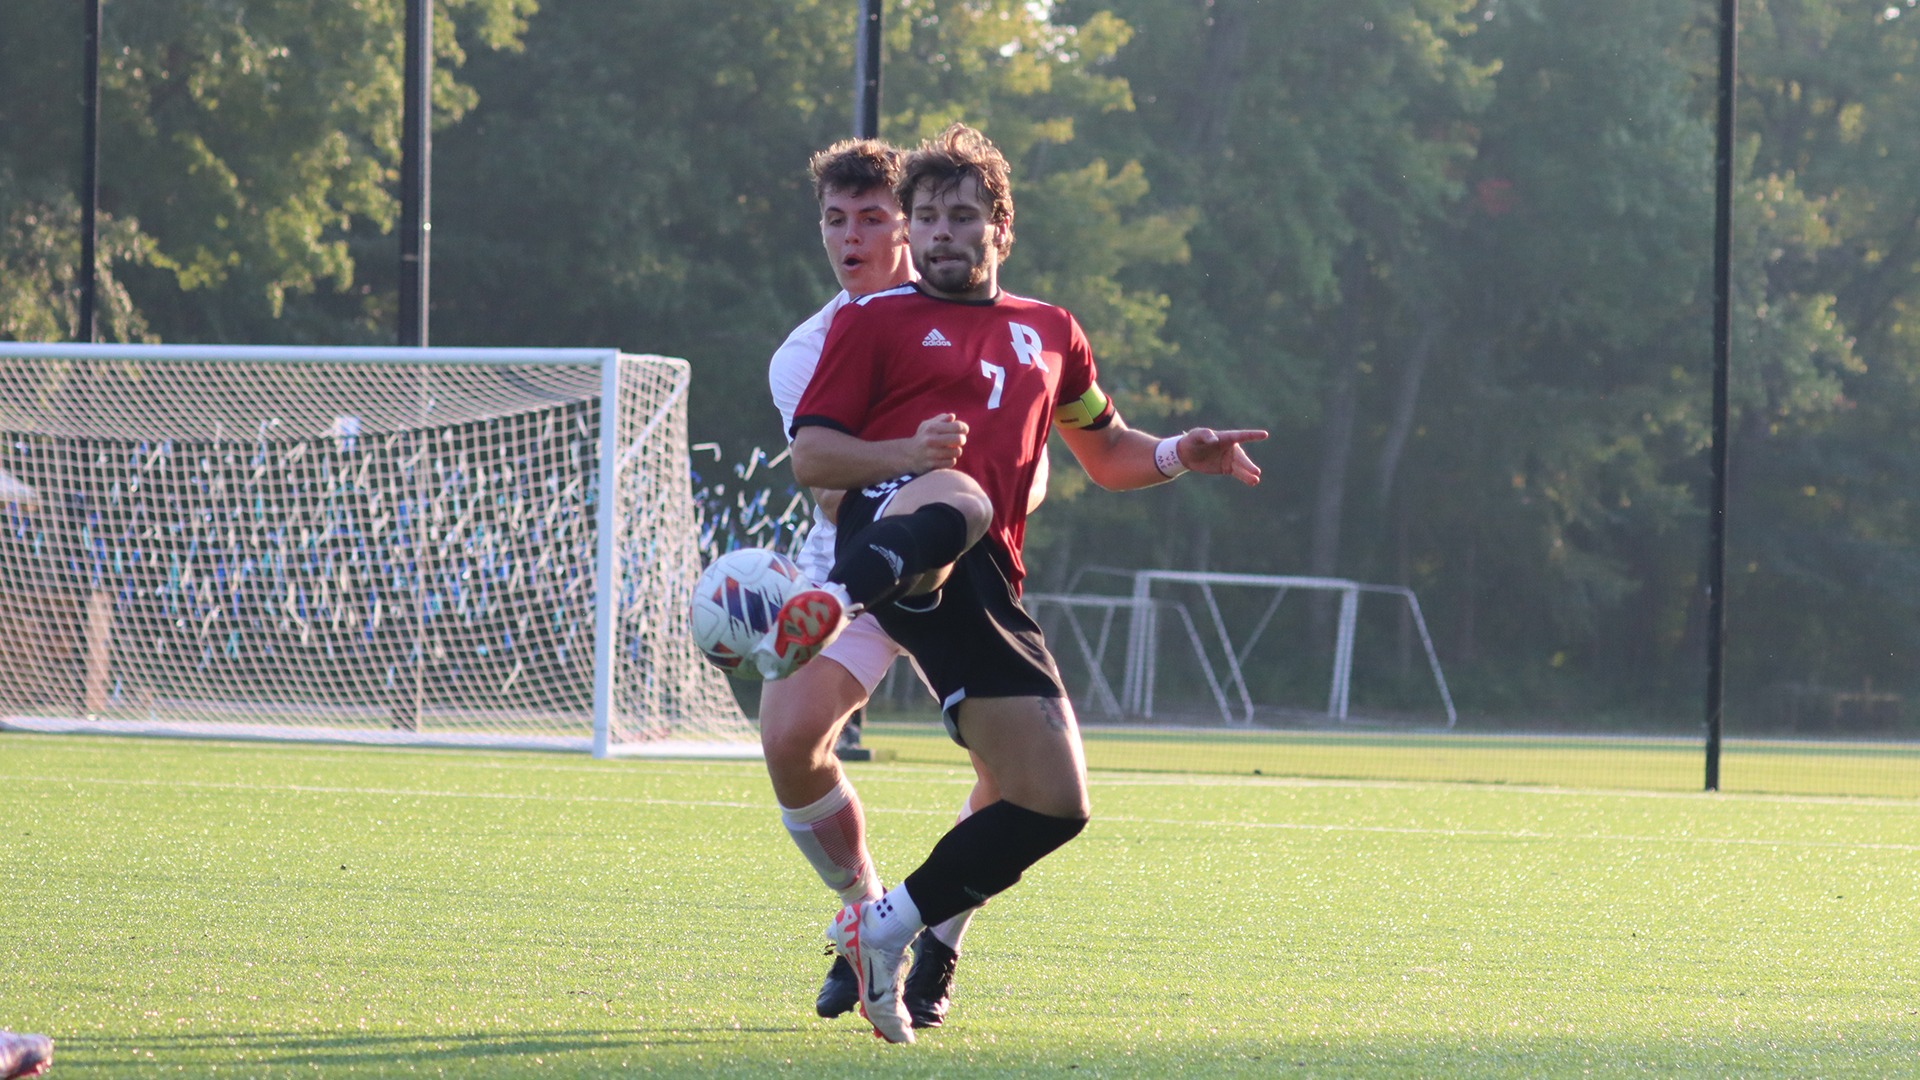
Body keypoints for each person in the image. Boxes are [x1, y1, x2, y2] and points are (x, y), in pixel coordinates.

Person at [764, 122, 1266, 1044]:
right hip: (888, 542)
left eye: (961, 216)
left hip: (986, 581)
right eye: (927, 217)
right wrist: (907, 454)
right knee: (956, 492)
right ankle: (832, 601)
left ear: (1002, 227)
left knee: (1052, 800)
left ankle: (888, 928)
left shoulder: (1052, 332)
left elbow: (1105, 451)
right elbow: (814, 457)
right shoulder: (870, 322)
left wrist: (1178, 452)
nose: (941, 232)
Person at [761, 138, 1025, 1029]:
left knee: (1011, 774)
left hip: (969, 567)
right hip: (860, 565)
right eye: (835, 220)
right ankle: (864, 917)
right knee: (789, 738)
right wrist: (913, 465)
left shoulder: (987, 318)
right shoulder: (805, 350)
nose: (852, 237)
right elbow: (831, 489)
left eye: (872, 218)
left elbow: (1029, 460)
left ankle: (938, 942)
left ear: (908, 228)